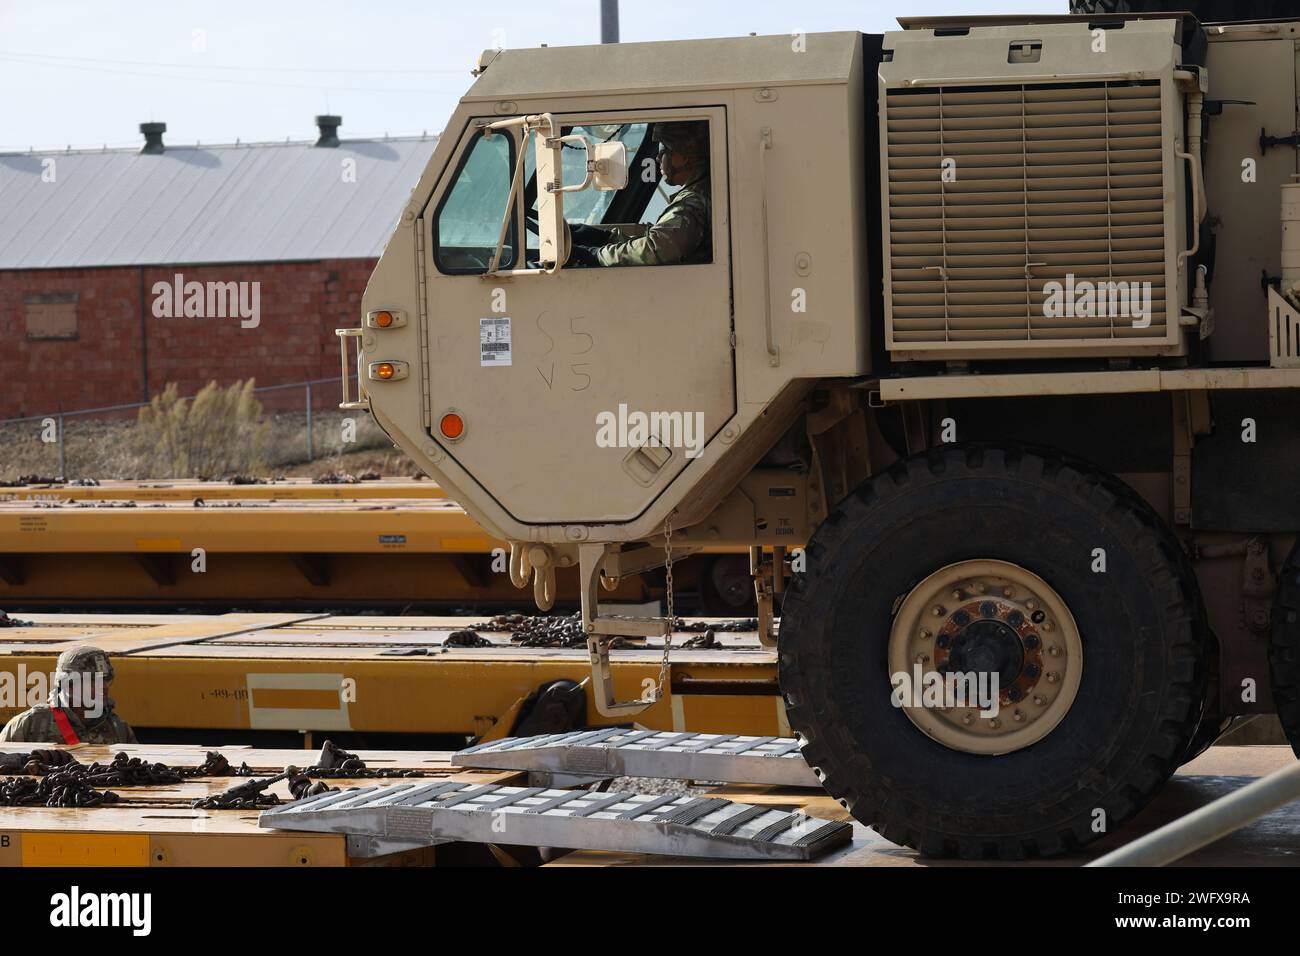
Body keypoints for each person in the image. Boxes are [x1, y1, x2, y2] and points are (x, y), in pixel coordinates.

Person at [568, 121, 711, 267]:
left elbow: (655, 248)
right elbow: (658, 237)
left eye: (663, 150)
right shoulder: (700, 194)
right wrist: (604, 238)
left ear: (683, 157)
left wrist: (595, 255)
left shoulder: (692, 204)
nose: (657, 158)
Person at [0, 646, 137, 745]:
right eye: (94, 681)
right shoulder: (30, 724)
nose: (104, 687)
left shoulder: (117, 728)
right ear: (68, 685)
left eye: (106, 680)